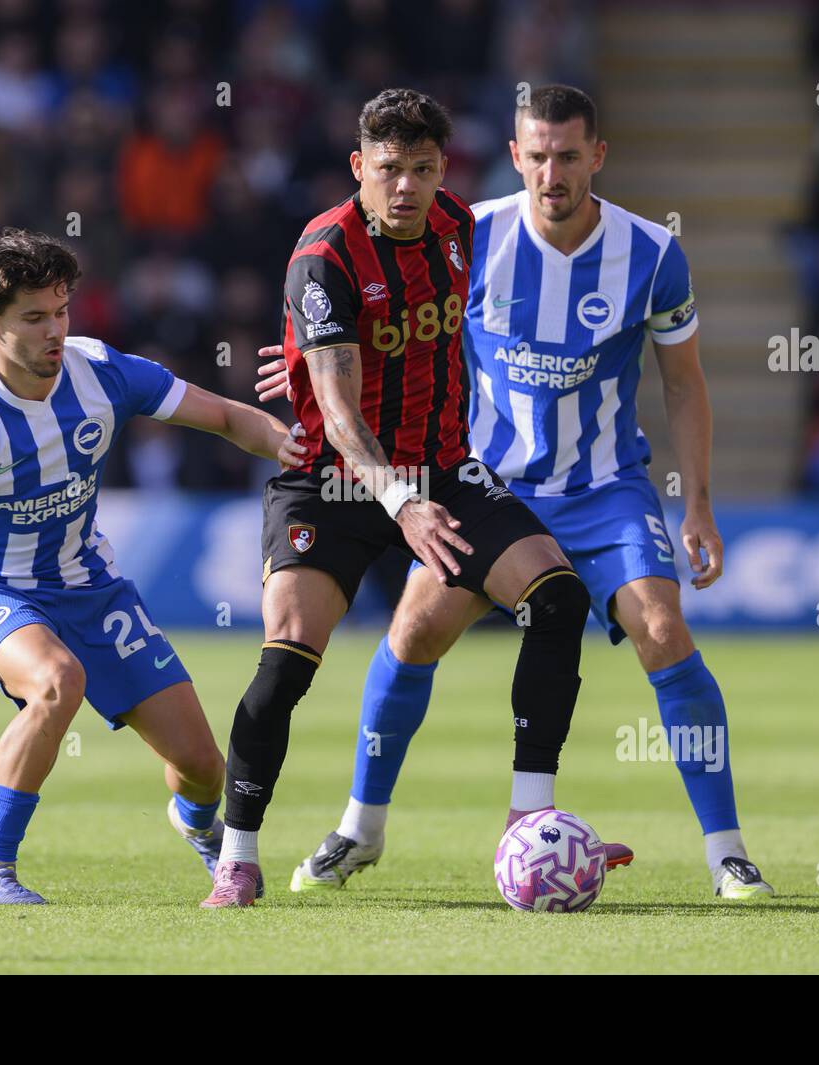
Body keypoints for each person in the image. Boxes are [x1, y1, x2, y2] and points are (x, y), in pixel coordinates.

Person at [260, 86, 772, 900]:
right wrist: (306, 357)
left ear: (596, 156)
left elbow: (684, 384)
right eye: (536, 155)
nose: (551, 172)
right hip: (489, 482)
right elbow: (377, 318)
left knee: (665, 630)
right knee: (415, 628)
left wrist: (698, 501)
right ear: (514, 156)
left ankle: (728, 852)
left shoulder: (651, 252)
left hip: (606, 487)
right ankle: (361, 827)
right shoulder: (471, 233)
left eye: (568, 155)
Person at [201, 89, 613, 908]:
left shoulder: (459, 227)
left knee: (558, 597)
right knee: (287, 657)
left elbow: (540, 222)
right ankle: (237, 855)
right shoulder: (324, 254)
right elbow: (344, 416)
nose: (406, 189)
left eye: (423, 170)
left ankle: (527, 821)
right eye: (389, 170)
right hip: (334, 480)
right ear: (360, 166)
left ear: (442, 170)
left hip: (445, 468)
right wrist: (395, 492)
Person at [0, 228, 304, 904]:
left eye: (61, 310)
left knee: (203, 768)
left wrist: (299, 450)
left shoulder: (102, 372)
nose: (54, 331)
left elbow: (225, 418)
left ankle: (194, 824)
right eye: (33, 318)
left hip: (93, 588)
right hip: (3, 589)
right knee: (56, 682)